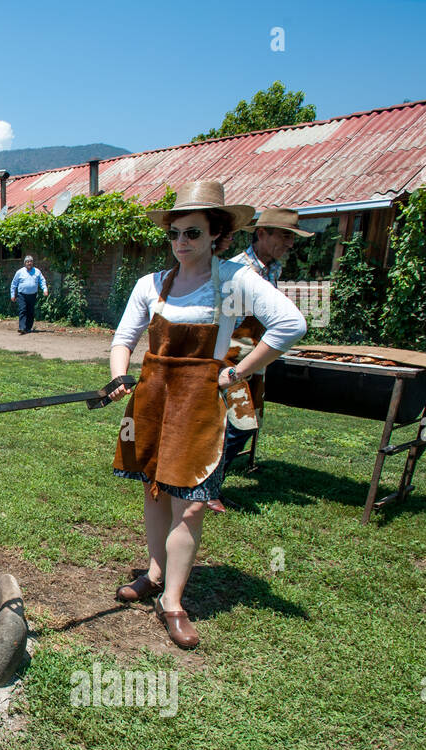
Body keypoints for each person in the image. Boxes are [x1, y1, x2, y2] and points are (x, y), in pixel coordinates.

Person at [108, 181, 306, 649]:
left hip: (201, 407)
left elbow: (291, 324)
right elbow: (124, 338)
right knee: (155, 492)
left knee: (192, 502)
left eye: (193, 234)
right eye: (175, 234)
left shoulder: (234, 281)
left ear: (216, 234)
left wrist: (238, 372)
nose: (181, 243)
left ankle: (172, 602)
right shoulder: (150, 285)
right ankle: (155, 575)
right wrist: (120, 376)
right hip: (153, 401)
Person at [215, 208, 314, 483]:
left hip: (253, 360)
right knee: (238, 422)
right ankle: (207, 483)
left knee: (247, 422)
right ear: (261, 233)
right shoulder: (238, 271)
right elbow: (225, 322)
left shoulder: (273, 270)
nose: (290, 243)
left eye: (292, 237)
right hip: (231, 359)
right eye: (285, 235)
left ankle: (210, 482)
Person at [9, 255, 47, 334]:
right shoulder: (19, 272)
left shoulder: (37, 271)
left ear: (32, 263)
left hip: (32, 295)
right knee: (22, 310)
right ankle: (22, 327)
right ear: (24, 263)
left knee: (30, 311)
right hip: (22, 295)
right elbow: (14, 284)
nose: (29, 263)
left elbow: (42, 281)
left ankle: (28, 328)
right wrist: (12, 295)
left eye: (30, 261)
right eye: (27, 261)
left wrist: (45, 289)